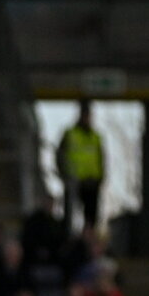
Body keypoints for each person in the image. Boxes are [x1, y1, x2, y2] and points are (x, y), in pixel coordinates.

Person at [55, 101, 106, 239]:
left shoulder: (96, 137)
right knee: (70, 216)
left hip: (91, 183)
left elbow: (101, 159)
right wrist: (64, 176)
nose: (88, 118)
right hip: (74, 182)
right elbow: (59, 155)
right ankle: (68, 240)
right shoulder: (70, 134)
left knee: (91, 218)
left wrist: (100, 178)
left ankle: (88, 241)